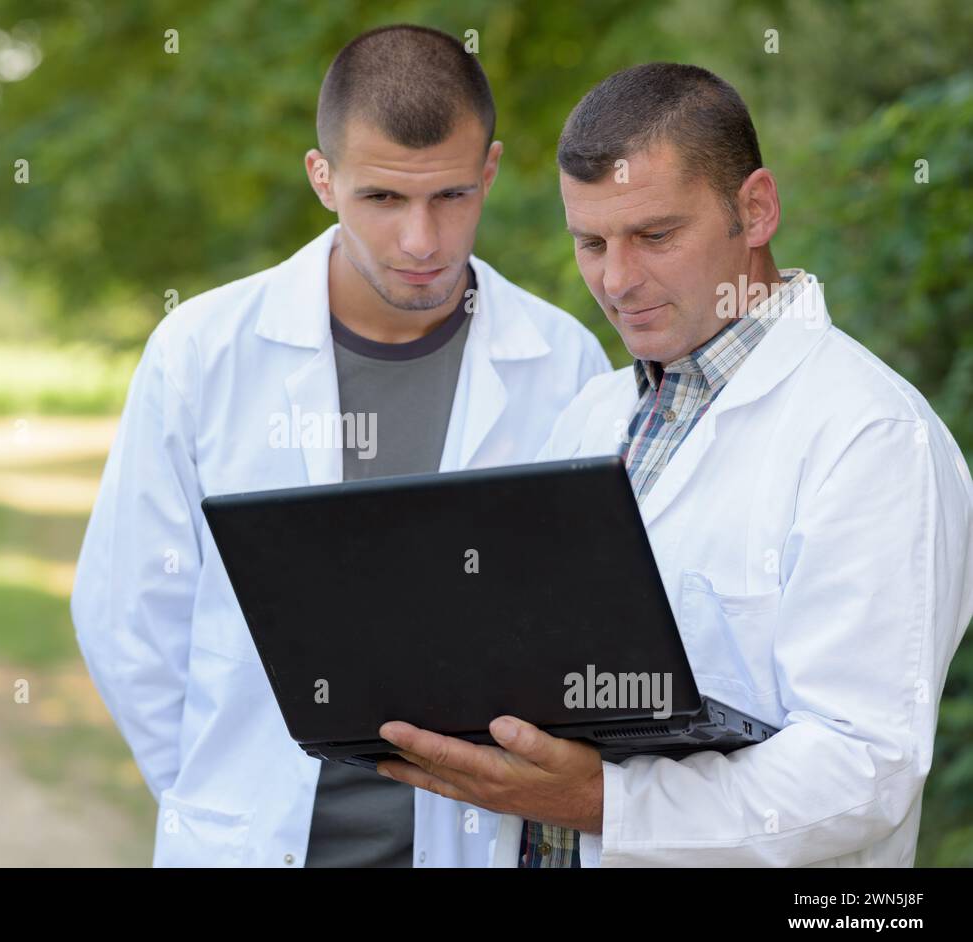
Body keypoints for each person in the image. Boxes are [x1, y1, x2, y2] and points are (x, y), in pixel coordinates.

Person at [375, 62, 973, 868]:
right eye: (591, 243)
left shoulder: (871, 436)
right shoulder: (591, 416)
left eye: (655, 235)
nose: (617, 281)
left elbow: (864, 769)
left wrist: (602, 803)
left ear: (755, 209)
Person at [70, 24, 610, 867]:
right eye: (383, 199)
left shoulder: (564, 360)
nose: (421, 241)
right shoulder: (203, 352)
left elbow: (587, 622)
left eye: (452, 197)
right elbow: (126, 614)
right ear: (323, 179)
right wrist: (218, 797)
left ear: (492, 172)